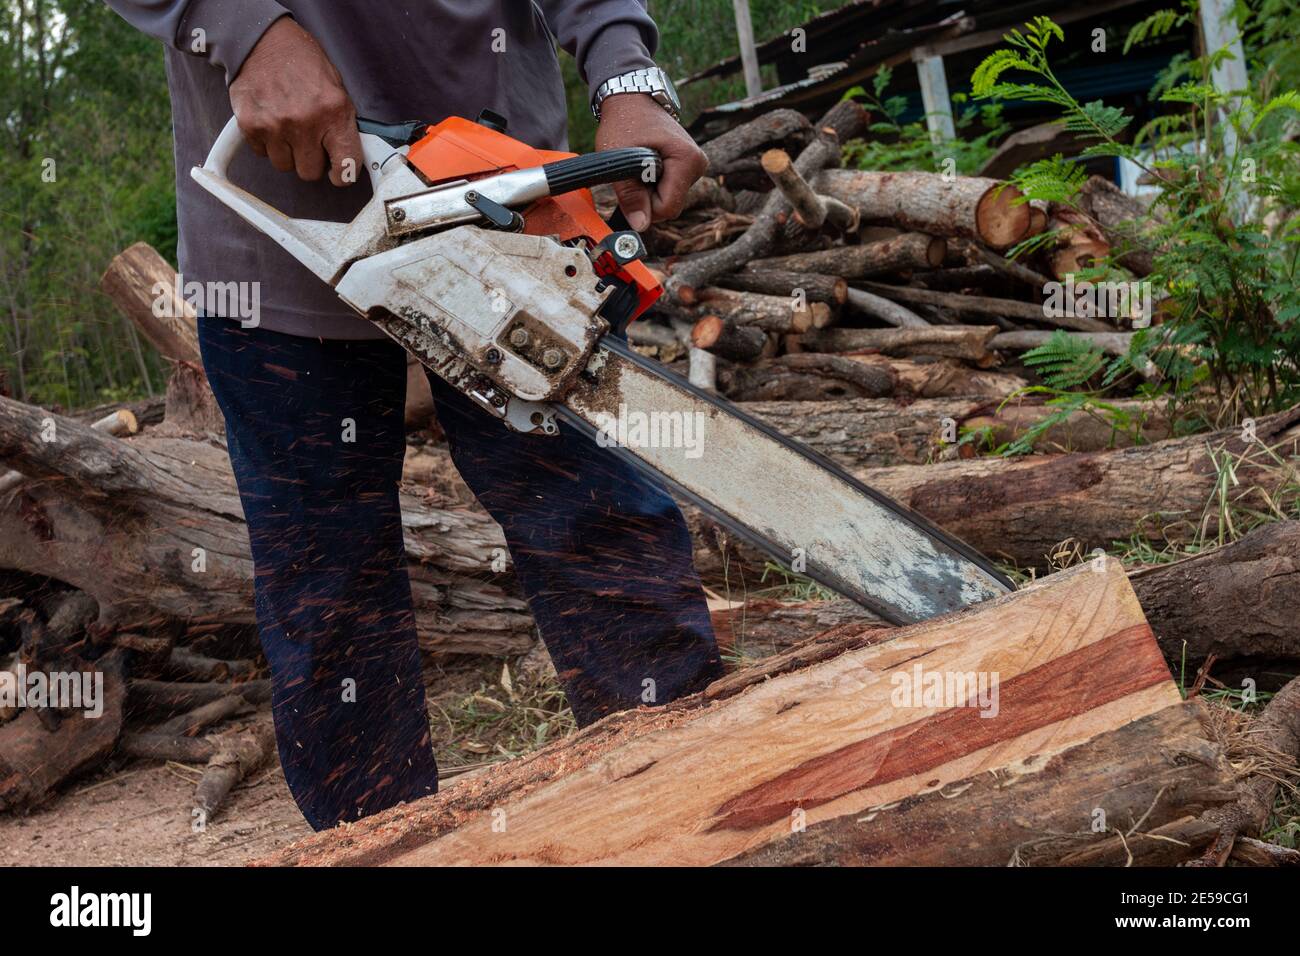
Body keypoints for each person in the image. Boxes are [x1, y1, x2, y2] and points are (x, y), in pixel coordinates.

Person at [106, 1, 720, 831]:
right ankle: (383, 842)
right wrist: (242, 24)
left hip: (510, 217)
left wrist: (625, 67)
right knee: (328, 588)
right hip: (271, 238)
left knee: (598, 525)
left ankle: (699, 809)